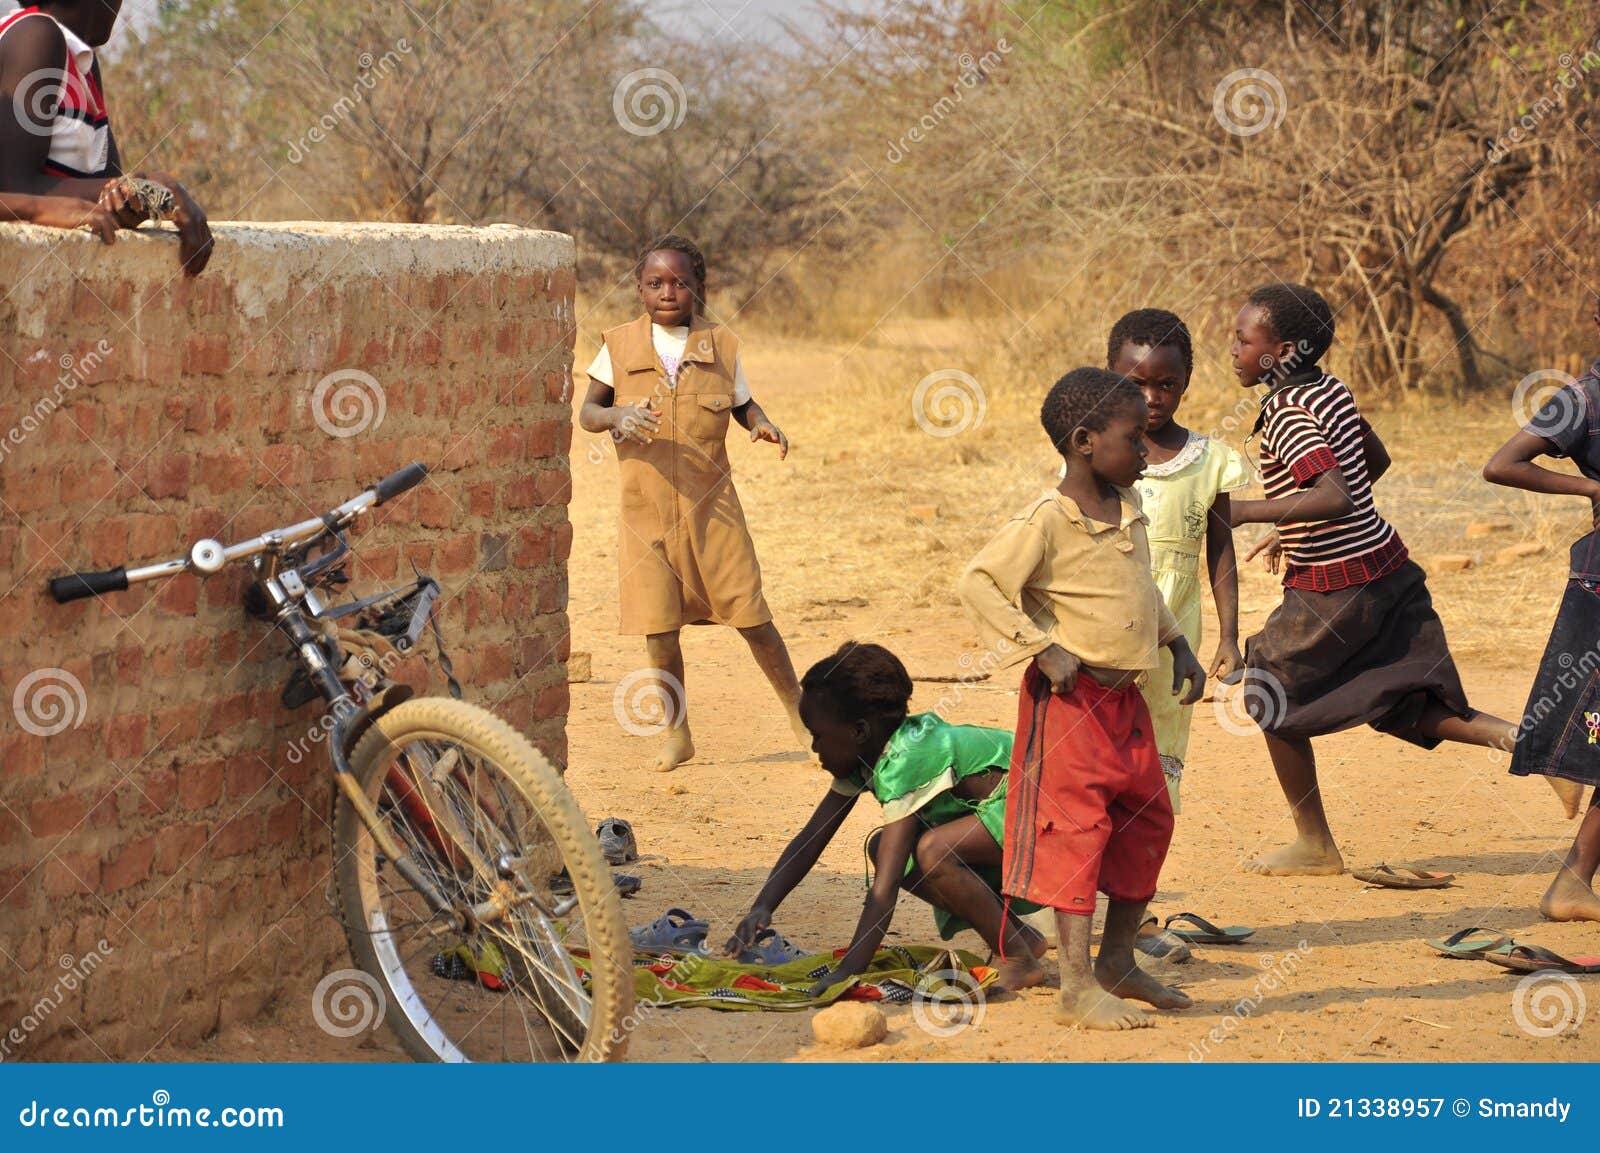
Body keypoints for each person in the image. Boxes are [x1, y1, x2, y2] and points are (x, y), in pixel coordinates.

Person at [1227, 281, 1575, 878]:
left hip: (1334, 588)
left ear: (1280, 351)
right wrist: (1290, 522)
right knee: (1406, 703)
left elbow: (1333, 492)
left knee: (1266, 691)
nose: (1231, 348)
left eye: (1242, 338)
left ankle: (1314, 845)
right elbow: (1371, 464)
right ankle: (1538, 750)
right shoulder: (1329, 389)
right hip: (1389, 570)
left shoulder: (1285, 413)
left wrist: (1244, 510)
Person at [960, 367, 1205, 1030]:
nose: (1148, 452)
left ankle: (1118, 961)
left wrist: (1178, 642)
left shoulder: (1129, 509)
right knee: (1076, 835)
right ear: (1084, 441)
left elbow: (1141, 589)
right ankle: (1074, 984)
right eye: (1136, 438)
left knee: (1146, 821)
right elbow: (979, 581)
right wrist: (1040, 646)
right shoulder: (1046, 521)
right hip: (1069, 706)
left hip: (1129, 705)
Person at [578, 234, 805, 772]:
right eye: (655, 283)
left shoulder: (720, 346)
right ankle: (677, 733)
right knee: (658, 630)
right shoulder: (618, 346)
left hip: (712, 508)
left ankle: (801, 718)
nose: (667, 292)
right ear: (638, 289)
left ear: (698, 287)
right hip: (645, 513)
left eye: (680, 282)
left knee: (752, 617)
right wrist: (615, 418)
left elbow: (744, 404)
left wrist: (764, 425)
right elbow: (588, 413)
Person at [722, 642, 1049, 994]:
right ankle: (1017, 937)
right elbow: (810, 840)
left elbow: (885, 887)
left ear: (859, 732)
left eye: (818, 736)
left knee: (932, 851)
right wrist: (762, 906)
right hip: (1008, 820)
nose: (814, 747)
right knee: (884, 846)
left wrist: (846, 973)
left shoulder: (909, 756)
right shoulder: (865, 757)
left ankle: (1016, 957)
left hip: (1045, 807)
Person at [1106, 308, 1249, 958]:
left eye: (1165, 384)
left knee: (1154, 785)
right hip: (1104, 641)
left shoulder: (1209, 460)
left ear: (1187, 381)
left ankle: (1133, 918)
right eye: (1136, 384)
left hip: (1175, 652)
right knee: (1093, 773)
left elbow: (1218, 551)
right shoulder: (1099, 452)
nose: (1152, 398)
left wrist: (1228, 636)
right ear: (1110, 378)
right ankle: (1081, 913)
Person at [1482, 299, 1600, 922]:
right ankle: (1572, 879)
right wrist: (1590, 487)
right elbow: (1502, 464)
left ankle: (1574, 879)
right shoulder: (1583, 398)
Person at [0, 1, 212, 273]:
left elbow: (108, 187)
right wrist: (151, 187)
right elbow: (13, 188)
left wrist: (140, 194)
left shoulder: (79, 59)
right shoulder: (36, 35)